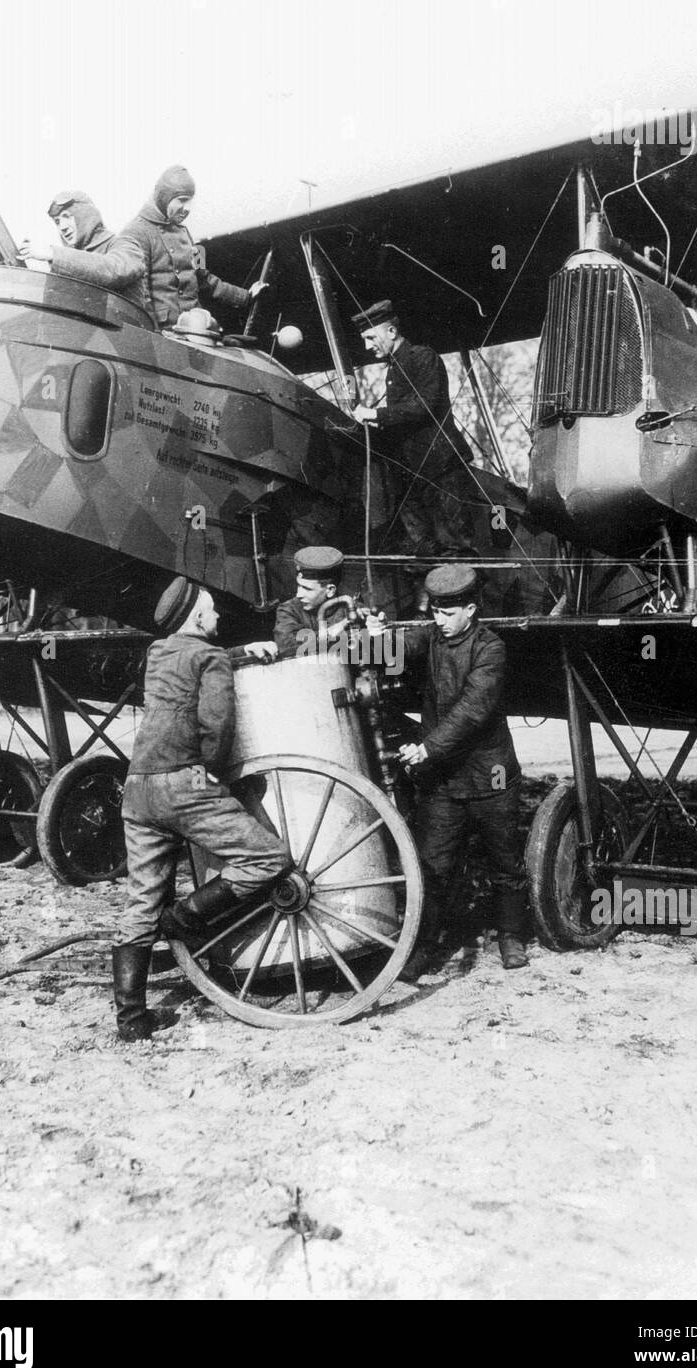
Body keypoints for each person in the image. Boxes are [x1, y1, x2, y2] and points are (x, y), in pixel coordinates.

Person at [115, 577, 289, 1042]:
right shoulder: (209, 657)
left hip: (137, 787)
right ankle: (186, 918)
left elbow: (185, 673)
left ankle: (131, 1018)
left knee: (141, 899)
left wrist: (243, 652)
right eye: (212, 612)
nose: (218, 618)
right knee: (268, 859)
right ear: (196, 619)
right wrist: (213, 768)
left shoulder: (159, 652)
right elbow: (217, 722)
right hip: (183, 783)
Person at [373, 563, 529, 981]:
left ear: (471, 610)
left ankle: (511, 936)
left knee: (505, 861)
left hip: (490, 775)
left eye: (446, 612)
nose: (437, 619)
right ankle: (424, 947)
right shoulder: (433, 638)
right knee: (432, 866)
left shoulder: (490, 649)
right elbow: (399, 647)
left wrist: (427, 747)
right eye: (435, 611)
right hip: (443, 780)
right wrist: (376, 638)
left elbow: (473, 711)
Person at [25, 165, 266, 330]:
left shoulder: (186, 234)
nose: (187, 208)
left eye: (190, 201)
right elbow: (124, 277)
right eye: (182, 200)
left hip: (197, 330)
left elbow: (204, 278)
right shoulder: (135, 233)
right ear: (164, 196)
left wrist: (245, 295)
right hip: (162, 336)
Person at [351, 299, 476, 556]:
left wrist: (376, 413)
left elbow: (424, 405)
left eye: (371, 337)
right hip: (415, 471)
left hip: (441, 468)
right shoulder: (394, 369)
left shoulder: (422, 356)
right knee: (426, 550)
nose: (366, 346)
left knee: (455, 547)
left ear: (392, 332)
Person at [273, 546, 353, 657]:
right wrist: (330, 633)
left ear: (330, 590)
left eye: (307, 589)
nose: (298, 595)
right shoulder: (288, 610)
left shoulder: (352, 608)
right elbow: (287, 646)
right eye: (299, 586)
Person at [18, 189, 116, 273]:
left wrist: (54, 254)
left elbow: (114, 270)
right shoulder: (68, 262)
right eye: (57, 221)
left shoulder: (119, 243)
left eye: (67, 216)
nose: (62, 227)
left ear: (85, 215)